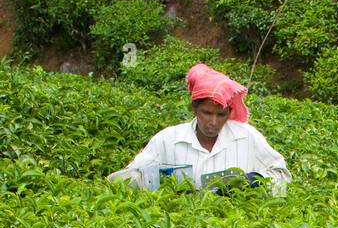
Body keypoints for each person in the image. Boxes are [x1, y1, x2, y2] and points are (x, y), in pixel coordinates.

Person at [106, 63, 292, 193]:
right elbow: (124, 179)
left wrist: (255, 181)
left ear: (229, 112)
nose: (213, 122)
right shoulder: (168, 140)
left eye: (221, 115)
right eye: (207, 113)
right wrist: (158, 181)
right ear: (194, 110)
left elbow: (281, 174)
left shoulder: (247, 136)